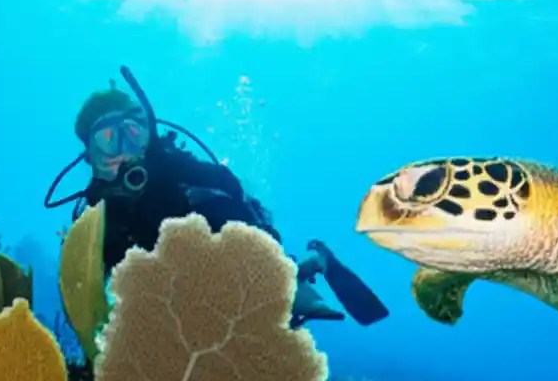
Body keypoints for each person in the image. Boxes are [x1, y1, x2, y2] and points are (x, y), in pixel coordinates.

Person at [45, 66, 388, 329]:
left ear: (148, 134)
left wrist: (284, 285)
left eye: (133, 133)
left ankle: (315, 260)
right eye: (108, 140)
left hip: (243, 263)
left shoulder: (185, 175)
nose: (125, 151)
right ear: (89, 156)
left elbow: (237, 218)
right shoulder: (93, 219)